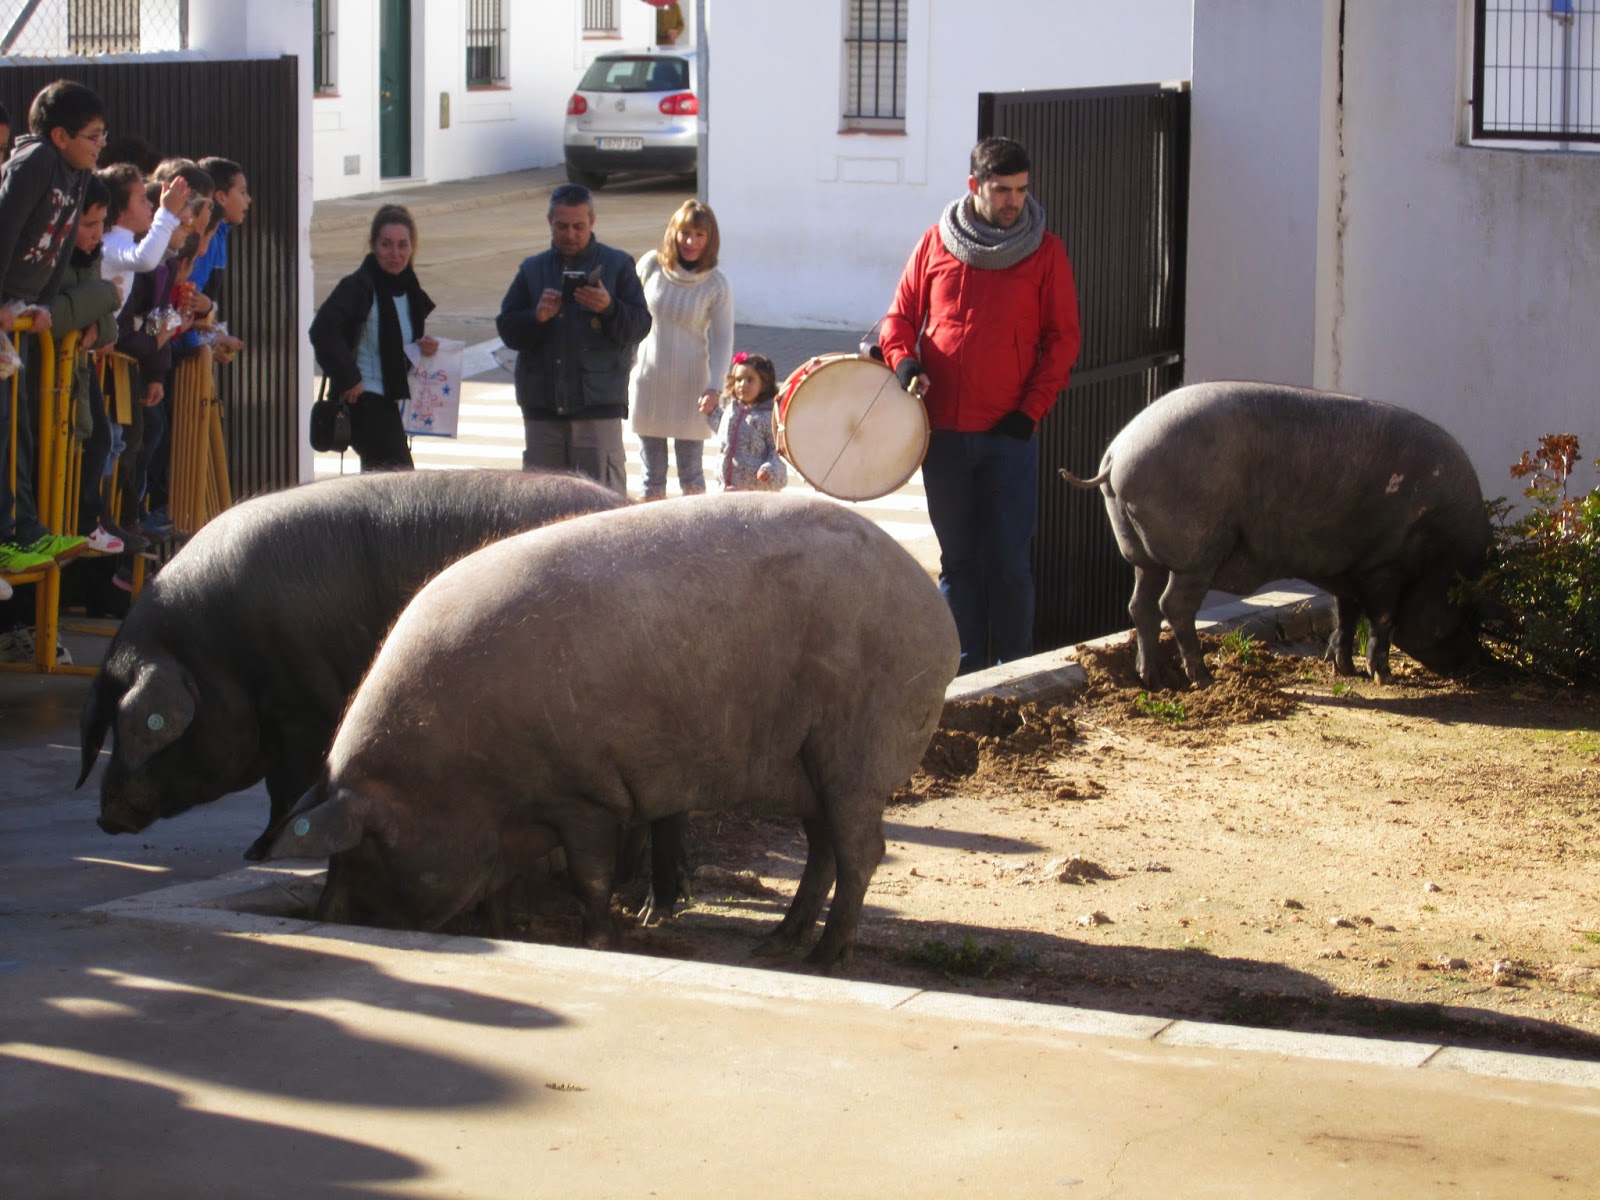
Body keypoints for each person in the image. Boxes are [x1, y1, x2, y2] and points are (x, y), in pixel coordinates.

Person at [879, 136, 1080, 675]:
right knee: (959, 564)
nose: (1014, 200)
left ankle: (1018, 674)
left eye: (1021, 190)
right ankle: (964, 674)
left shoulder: (1047, 253)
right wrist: (905, 364)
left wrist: (1028, 413)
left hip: (1008, 437)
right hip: (941, 436)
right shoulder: (935, 244)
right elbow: (898, 319)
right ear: (974, 187)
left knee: (1011, 565)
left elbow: (1063, 341)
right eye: (1001, 190)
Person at [0, 79, 106, 574]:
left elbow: (61, 246)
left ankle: (27, 528)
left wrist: (40, 302)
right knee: (4, 425)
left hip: (21, 312)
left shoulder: (79, 173)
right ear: (60, 135)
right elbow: (4, 229)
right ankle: (10, 533)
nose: (100, 145)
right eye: (93, 135)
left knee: (20, 423)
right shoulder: (37, 161)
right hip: (3, 310)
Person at [496, 183, 650, 497]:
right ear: (549, 223)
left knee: (602, 509)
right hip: (543, 412)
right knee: (540, 510)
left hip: (598, 409)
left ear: (592, 221)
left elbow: (640, 326)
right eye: (561, 226)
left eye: (578, 226)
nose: (570, 234)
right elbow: (507, 328)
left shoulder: (618, 265)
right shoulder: (532, 269)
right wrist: (536, 318)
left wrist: (609, 308)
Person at [309, 204, 438, 472]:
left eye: (403, 245)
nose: (395, 254)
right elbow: (322, 329)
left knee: (380, 487)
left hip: (391, 401)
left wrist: (420, 347)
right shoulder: (358, 285)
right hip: (364, 400)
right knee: (399, 483)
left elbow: (398, 342)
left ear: (412, 247)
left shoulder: (410, 290)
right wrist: (348, 377)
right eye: (386, 245)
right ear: (372, 245)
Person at [628, 199, 733, 499]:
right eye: (685, 233)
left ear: (710, 239)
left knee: (691, 476)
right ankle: (654, 540)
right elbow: (628, 315)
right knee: (651, 477)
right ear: (673, 232)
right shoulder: (651, 266)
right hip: (649, 383)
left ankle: (696, 542)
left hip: (693, 388)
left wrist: (716, 387)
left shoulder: (717, 283)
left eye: (700, 235)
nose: (691, 241)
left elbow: (723, 338)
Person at [717, 352, 786, 493]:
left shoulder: (767, 416)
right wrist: (712, 413)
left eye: (750, 380)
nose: (743, 385)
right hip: (728, 487)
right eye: (738, 379)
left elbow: (777, 449)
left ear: (764, 383)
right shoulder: (732, 409)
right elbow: (723, 432)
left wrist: (769, 469)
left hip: (756, 491)